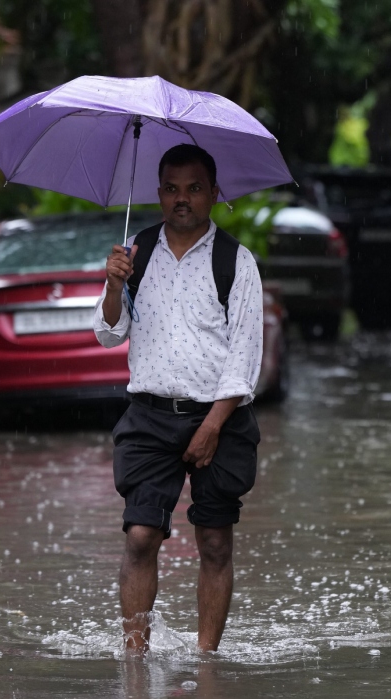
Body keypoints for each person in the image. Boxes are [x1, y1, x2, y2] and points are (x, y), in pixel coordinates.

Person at [92, 144, 264, 653]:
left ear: (214, 193)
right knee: (141, 536)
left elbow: (245, 355)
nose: (181, 198)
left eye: (193, 188)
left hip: (221, 418)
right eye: (171, 188)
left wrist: (212, 426)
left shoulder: (236, 261)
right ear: (159, 193)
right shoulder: (136, 254)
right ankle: (134, 660)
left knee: (214, 541)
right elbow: (108, 333)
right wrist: (112, 285)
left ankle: (207, 662)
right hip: (149, 416)